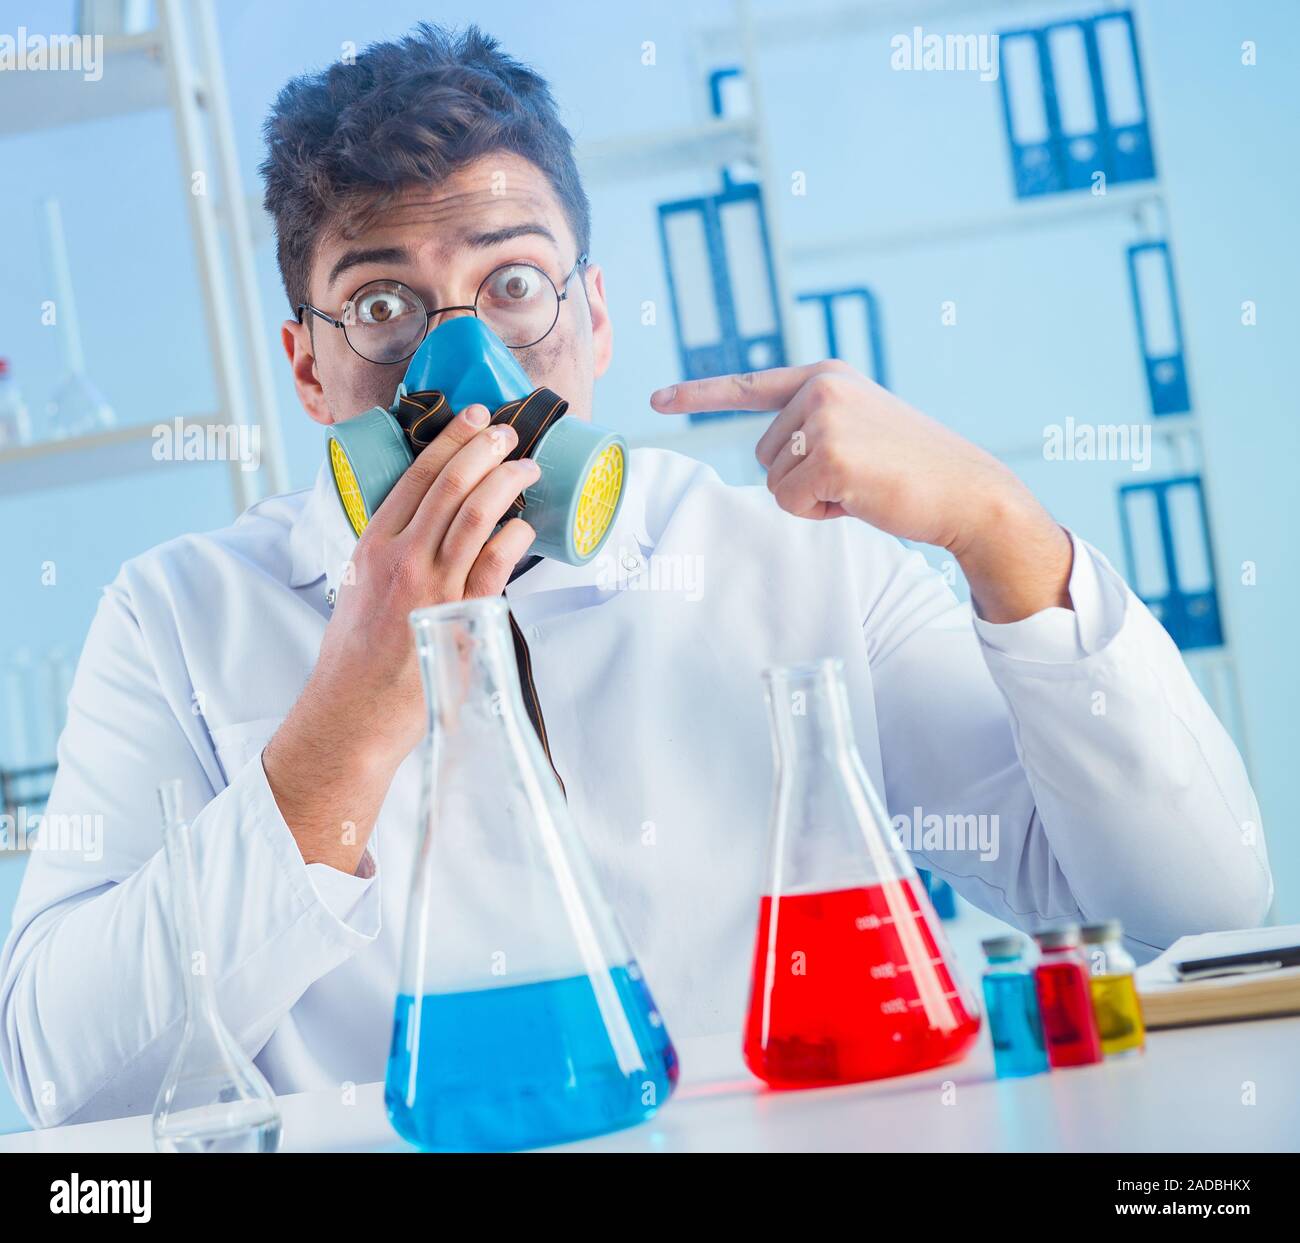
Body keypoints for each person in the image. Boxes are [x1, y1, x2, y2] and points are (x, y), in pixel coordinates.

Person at [1, 23, 1269, 1127]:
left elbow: (1192, 900)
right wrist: (346, 723)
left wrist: (999, 526)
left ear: (592, 318)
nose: (462, 367)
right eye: (383, 306)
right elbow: (61, 1080)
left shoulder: (786, 559)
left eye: (511, 284)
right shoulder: (178, 615)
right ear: (305, 367)